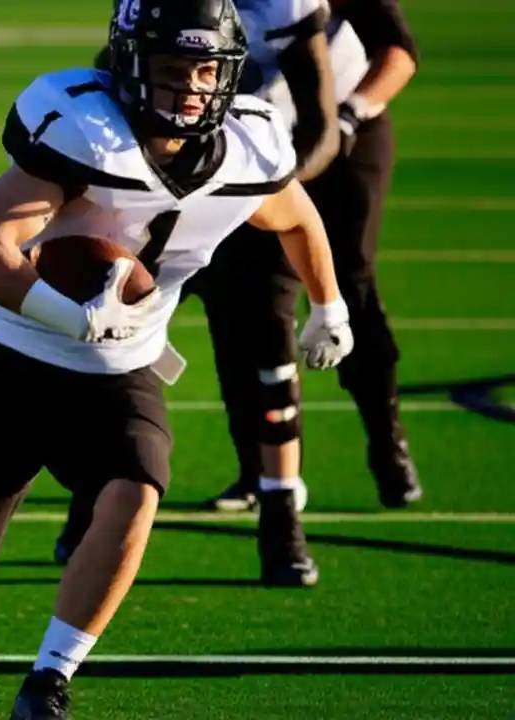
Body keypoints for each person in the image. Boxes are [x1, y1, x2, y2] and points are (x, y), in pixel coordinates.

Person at [0, 1, 354, 718]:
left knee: (138, 484)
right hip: (10, 358)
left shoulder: (247, 148)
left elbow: (296, 216)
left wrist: (328, 305)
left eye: (207, 68)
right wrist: (72, 313)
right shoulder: (85, 132)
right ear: (129, 65)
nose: (191, 86)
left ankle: (50, 681)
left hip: (123, 370)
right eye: (174, 67)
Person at [56, 0, 345, 587]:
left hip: (242, 184)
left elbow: (320, 125)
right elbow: (115, 75)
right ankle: (89, 500)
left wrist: (247, 188)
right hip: (152, 194)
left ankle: (282, 521)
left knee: (271, 366)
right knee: (104, 355)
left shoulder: (282, 9)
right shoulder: (151, 9)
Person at [204, 0, 423, 517]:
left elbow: (399, 52)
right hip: (248, 142)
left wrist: (350, 115)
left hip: (345, 133)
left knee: (349, 281)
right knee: (243, 301)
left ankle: (386, 439)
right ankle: (256, 468)